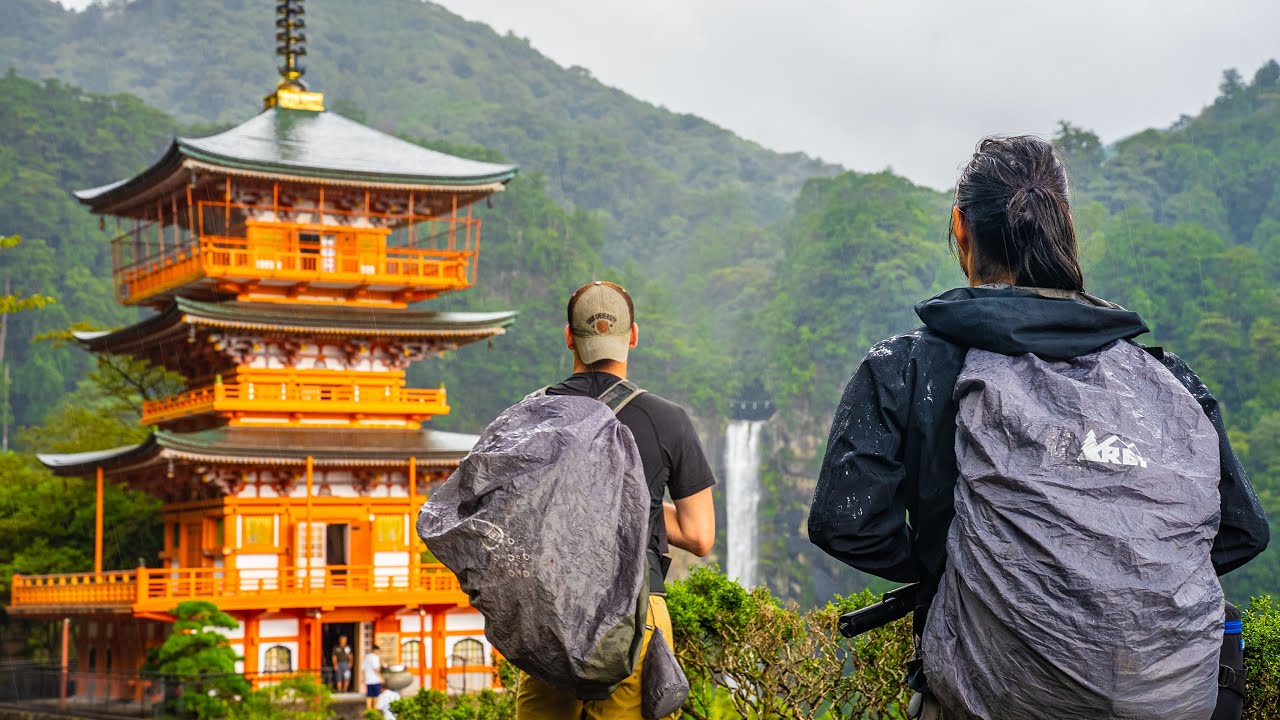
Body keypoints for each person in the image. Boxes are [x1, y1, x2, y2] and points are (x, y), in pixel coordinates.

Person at [808, 136, 1269, 718]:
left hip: (984, 695)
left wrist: (974, 571)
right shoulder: (1164, 378)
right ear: (1063, 227)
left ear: (961, 226)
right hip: (1164, 697)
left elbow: (845, 523)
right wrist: (1118, 577)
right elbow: (1243, 529)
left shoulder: (907, 367)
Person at [515, 280, 717, 720]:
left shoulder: (529, 416)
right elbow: (699, 536)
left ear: (569, 337)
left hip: (552, 612)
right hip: (635, 611)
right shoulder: (667, 419)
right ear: (633, 335)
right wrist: (635, 502)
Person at [363, 644, 383, 711]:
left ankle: (369, 710)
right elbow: (376, 669)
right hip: (375, 679)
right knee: (377, 695)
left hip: (368, 679)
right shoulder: (375, 657)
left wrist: (364, 678)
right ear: (375, 650)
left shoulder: (367, 657)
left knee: (369, 695)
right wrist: (381, 677)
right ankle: (374, 709)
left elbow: (363, 668)